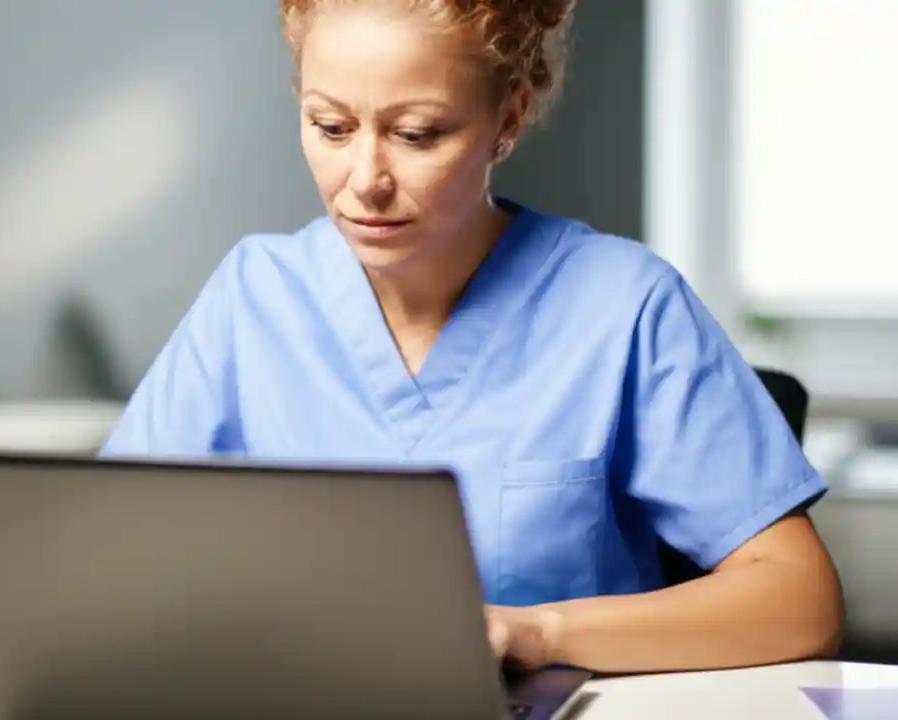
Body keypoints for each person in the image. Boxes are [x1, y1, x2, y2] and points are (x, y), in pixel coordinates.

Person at [101, 0, 844, 674]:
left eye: (416, 134)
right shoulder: (253, 295)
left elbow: (798, 598)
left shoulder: (625, 306)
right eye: (330, 127)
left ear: (508, 118)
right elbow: (108, 557)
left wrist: (536, 634)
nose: (364, 179)